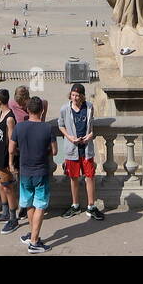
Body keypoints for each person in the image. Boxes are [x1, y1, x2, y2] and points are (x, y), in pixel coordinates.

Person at [10, 96, 57, 253]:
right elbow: (55, 151)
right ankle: (34, 242)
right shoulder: (47, 128)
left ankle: (32, 235)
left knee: (29, 203)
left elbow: (11, 149)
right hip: (40, 170)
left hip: (24, 171)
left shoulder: (19, 127)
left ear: (28, 110)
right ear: (42, 110)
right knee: (40, 205)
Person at [58, 83, 103, 220]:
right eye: (73, 95)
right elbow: (61, 125)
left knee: (90, 177)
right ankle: (75, 205)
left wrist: (90, 135)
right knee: (74, 178)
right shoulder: (65, 108)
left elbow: (91, 126)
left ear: (82, 96)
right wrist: (70, 137)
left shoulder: (89, 107)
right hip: (72, 148)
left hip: (86, 148)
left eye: (77, 95)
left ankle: (91, 206)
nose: (75, 98)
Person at [0, 88, 21, 234]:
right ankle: (5, 212)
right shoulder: (2, 113)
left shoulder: (10, 119)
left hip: (6, 158)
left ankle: (13, 219)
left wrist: (11, 163)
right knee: (0, 184)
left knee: (8, 187)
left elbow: (12, 142)